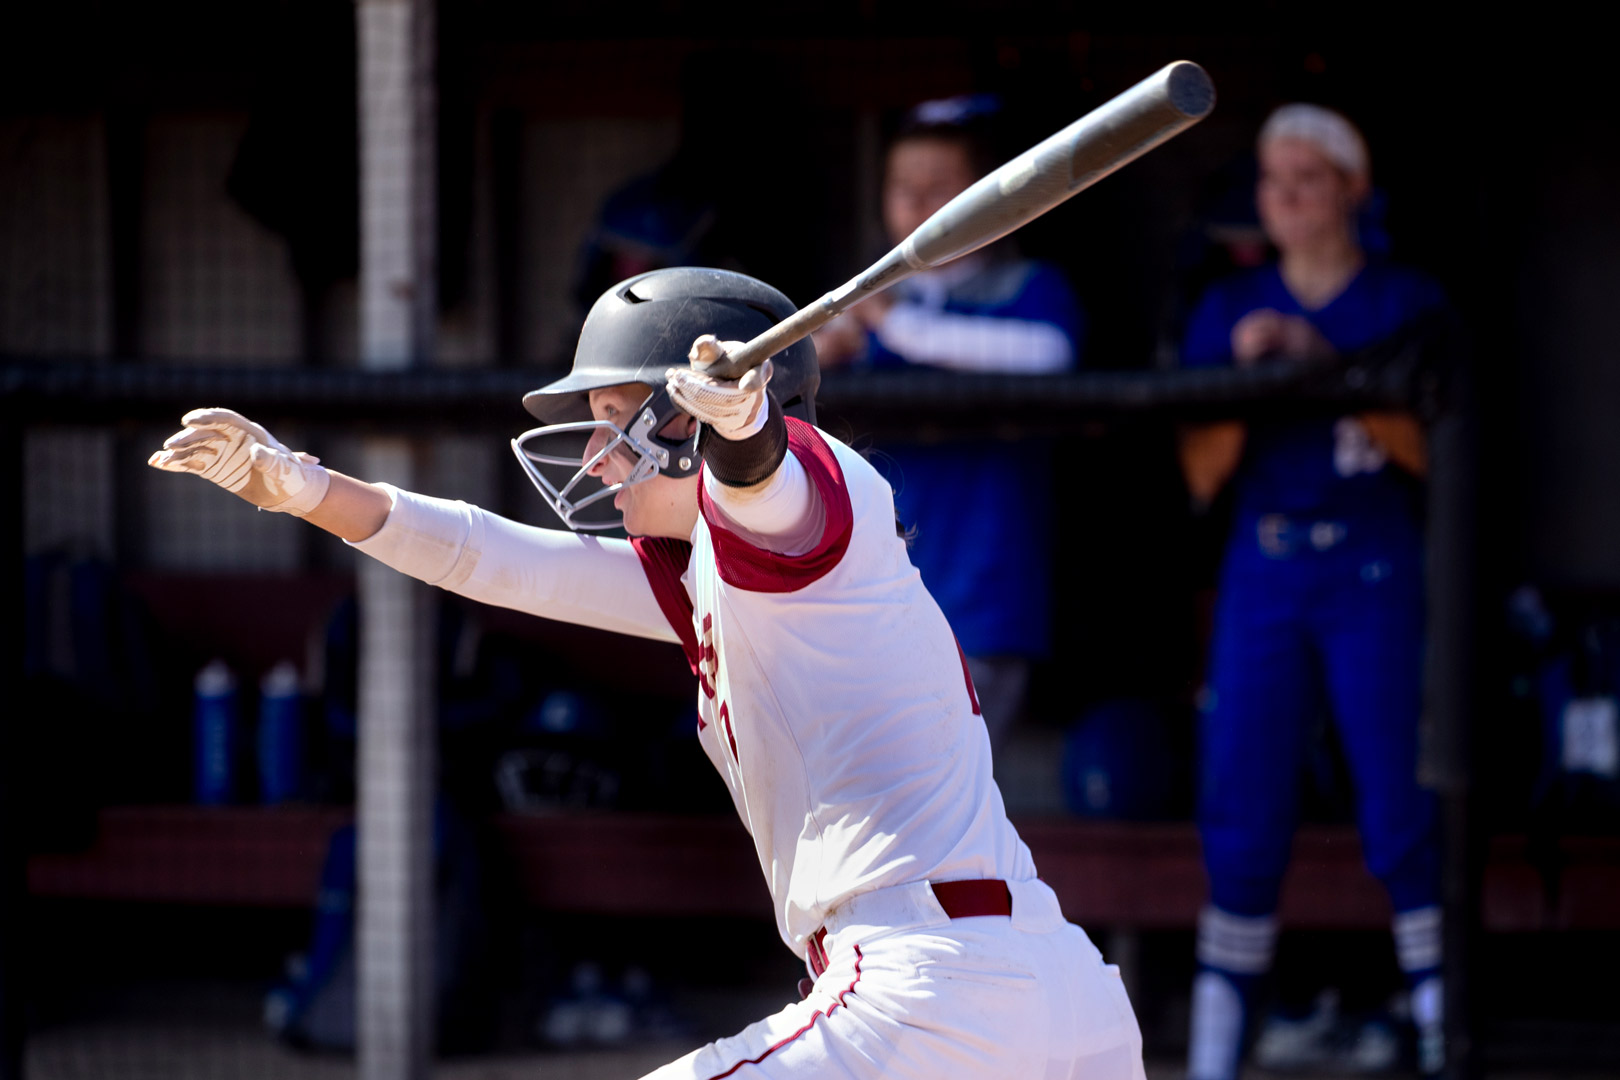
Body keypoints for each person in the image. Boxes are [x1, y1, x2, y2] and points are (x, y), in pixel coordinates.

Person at [148, 267, 1145, 1080]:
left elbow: (778, 491)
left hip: (927, 997)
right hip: (1048, 994)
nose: (590, 453)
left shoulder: (818, 496)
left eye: (618, 414)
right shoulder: (705, 570)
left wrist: (745, 435)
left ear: (687, 423)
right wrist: (303, 487)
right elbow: (485, 556)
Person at [1175, 105, 1449, 1079]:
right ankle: (1214, 1053)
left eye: (1307, 177)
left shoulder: (1405, 299)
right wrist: (1253, 377)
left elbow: (1437, 458)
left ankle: (1443, 1031)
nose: (1284, 196)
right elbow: (1200, 476)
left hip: (1375, 562)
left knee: (1399, 796)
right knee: (1242, 794)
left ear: (1351, 191)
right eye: (1271, 178)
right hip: (1264, 560)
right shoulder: (1226, 304)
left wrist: (1325, 363)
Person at [815, 94, 1085, 748]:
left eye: (940, 187)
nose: (916, 203)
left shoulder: (1029, 286)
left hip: (982, 591)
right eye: (902, 187)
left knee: (944, 786)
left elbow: (1050, 355)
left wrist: (895, 326)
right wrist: (819, 355)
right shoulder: (873, 304)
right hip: (870, 595)